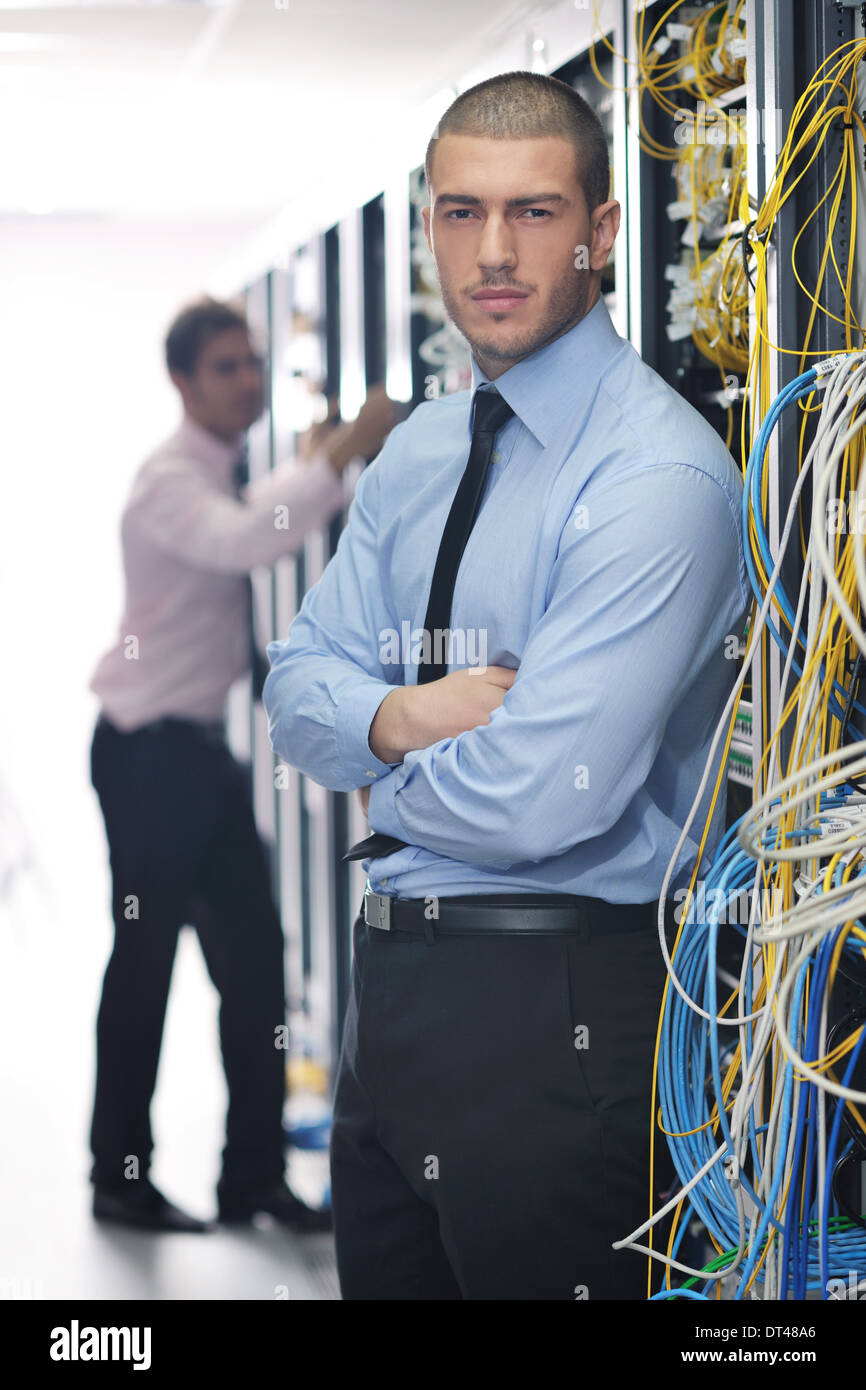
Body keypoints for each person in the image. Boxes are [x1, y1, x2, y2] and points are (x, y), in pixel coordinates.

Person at [263, 72, 750, 1298]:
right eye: (457, 212)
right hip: (393, 1001)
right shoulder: (422, 448)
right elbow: (295, 684)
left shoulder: (656, 478)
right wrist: (404, 717)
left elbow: (546, 797)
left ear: (599, 233)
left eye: (532, 214)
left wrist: (371, 769)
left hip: (559, 1009)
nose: (490, 251)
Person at [88, 296, 395, 1233]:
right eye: (225, 367)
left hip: (197, 756)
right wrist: (342, 449)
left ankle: (252, 1179)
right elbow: (246, 539)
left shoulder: (225, 468)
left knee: (257, 965)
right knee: (144, 967)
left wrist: (328, 464)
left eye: (252, 363)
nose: (247, 382)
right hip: (147, 754)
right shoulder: (168, 480)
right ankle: (119, 1177)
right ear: (182, 381)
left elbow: (271, 518)